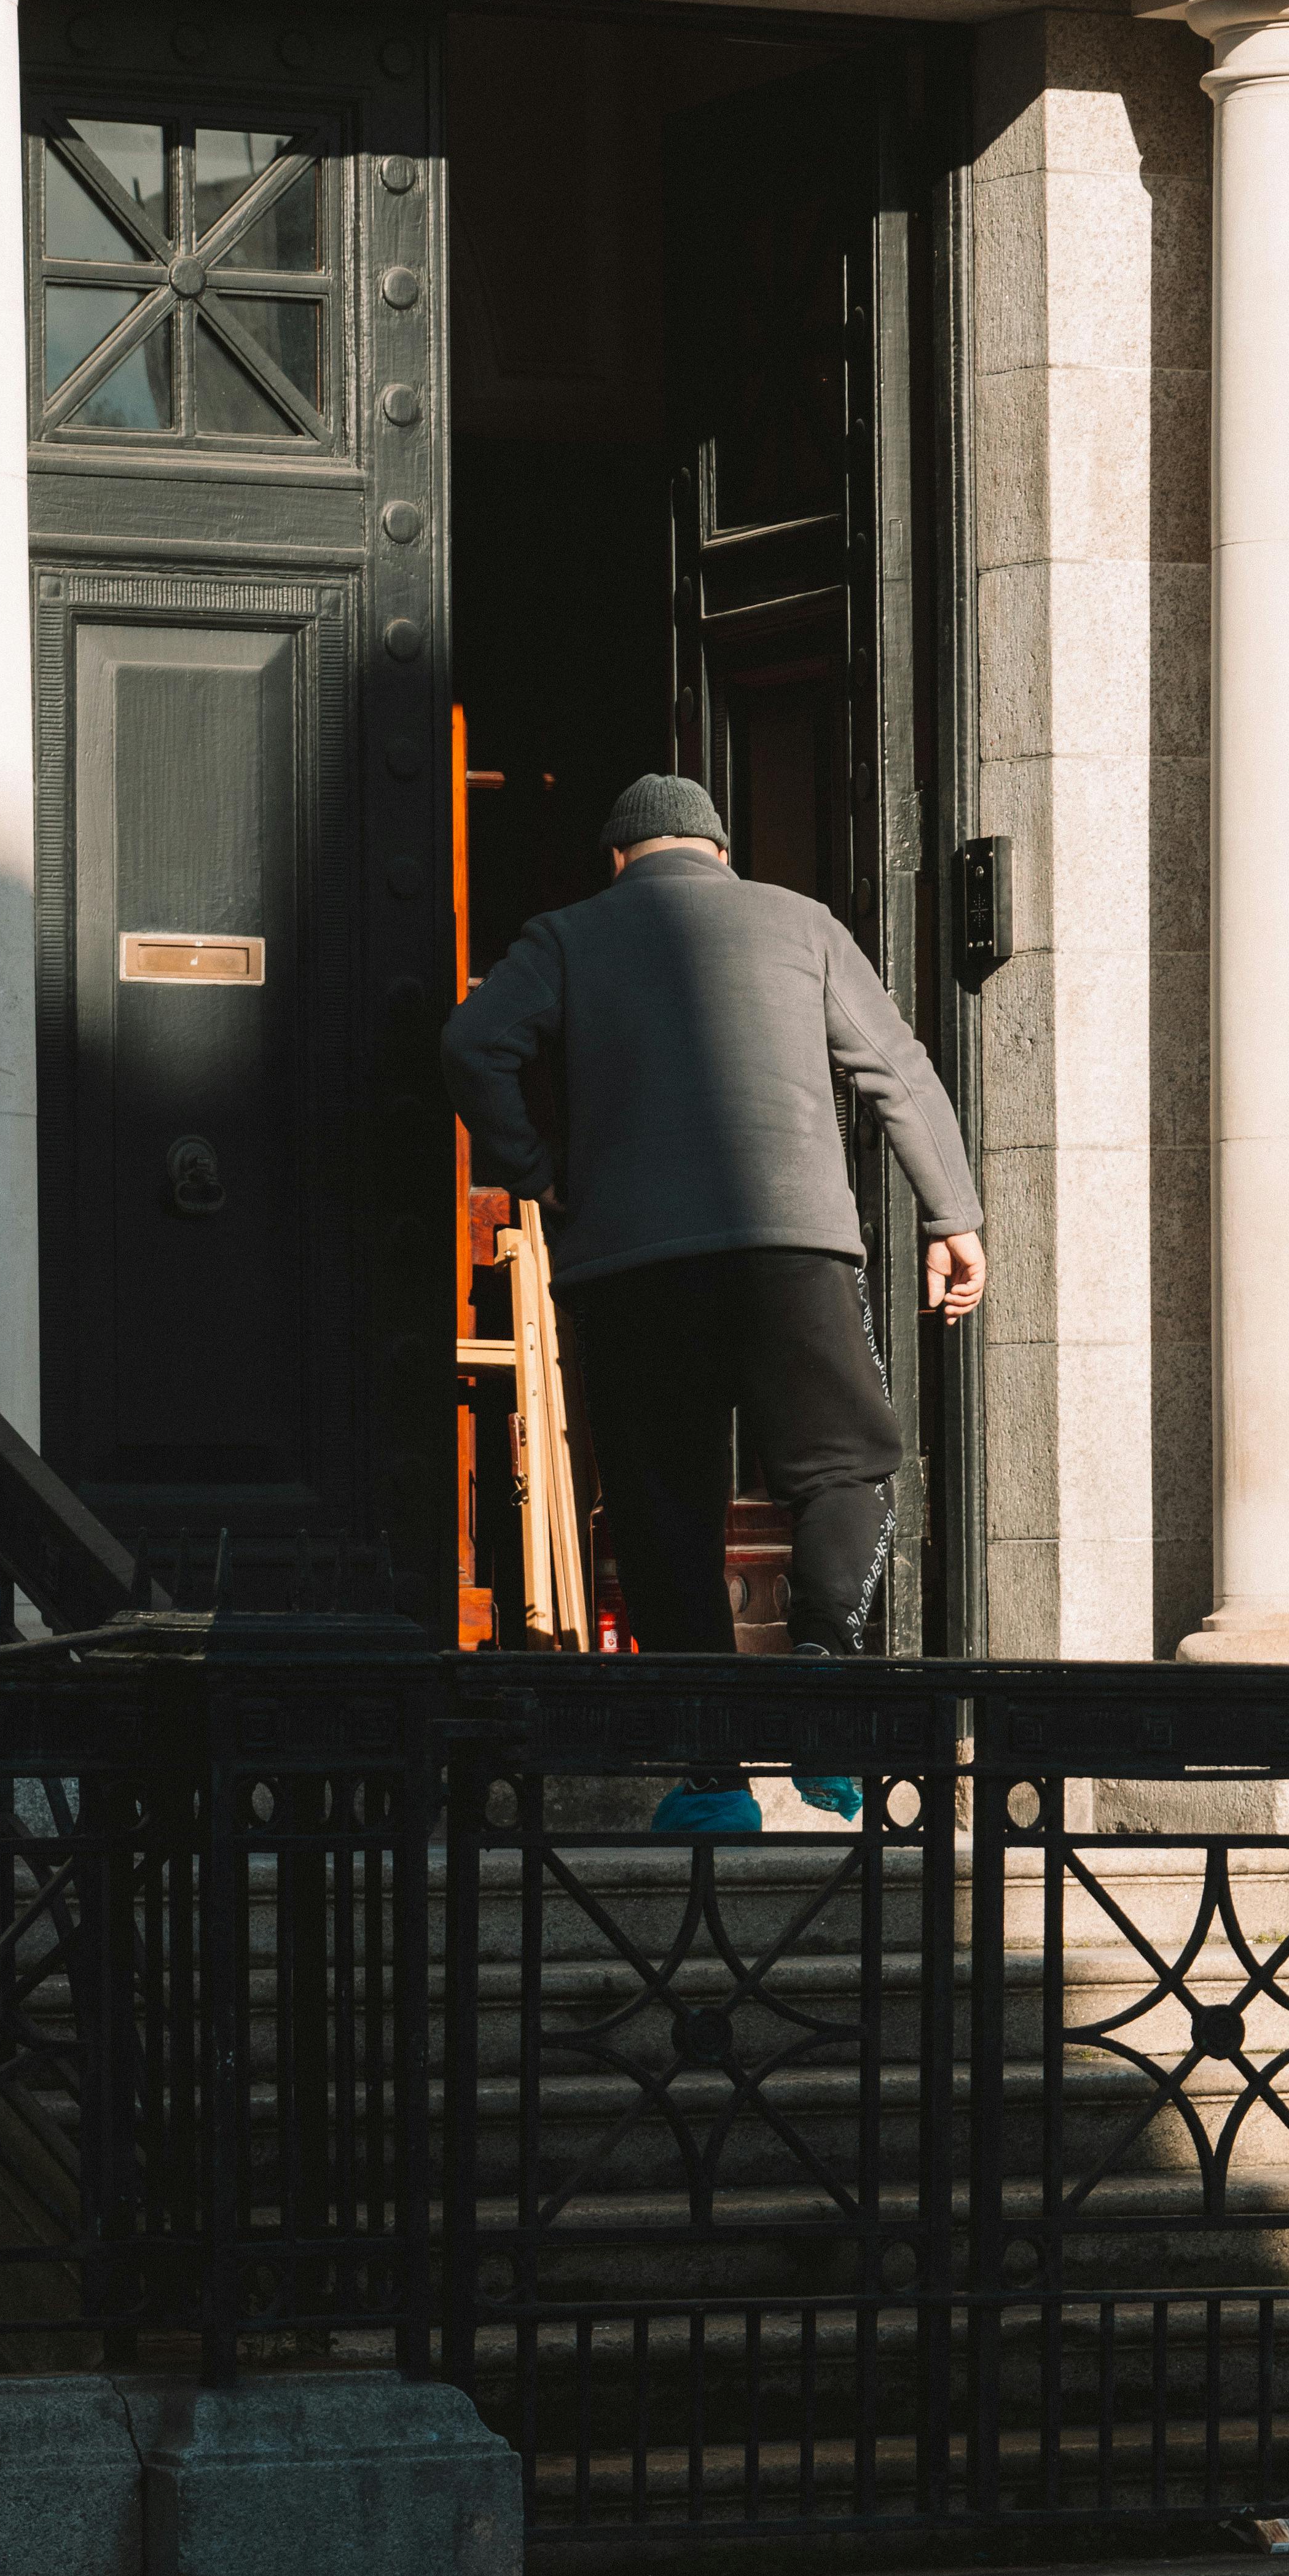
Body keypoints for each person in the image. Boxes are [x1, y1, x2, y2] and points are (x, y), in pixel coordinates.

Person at [441, 771, 986, 1835]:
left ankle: (713, 1779)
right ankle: (822, 1665)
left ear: (617, 858)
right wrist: (950, 1216)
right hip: (794, 1245)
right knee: (845, 1468)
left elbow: (471, 1045)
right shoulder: (802, 922)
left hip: (632, 1262)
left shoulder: (567, 935)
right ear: (720, 851)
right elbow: (896, 1067)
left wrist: (536, 1168)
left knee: (661, 1508)